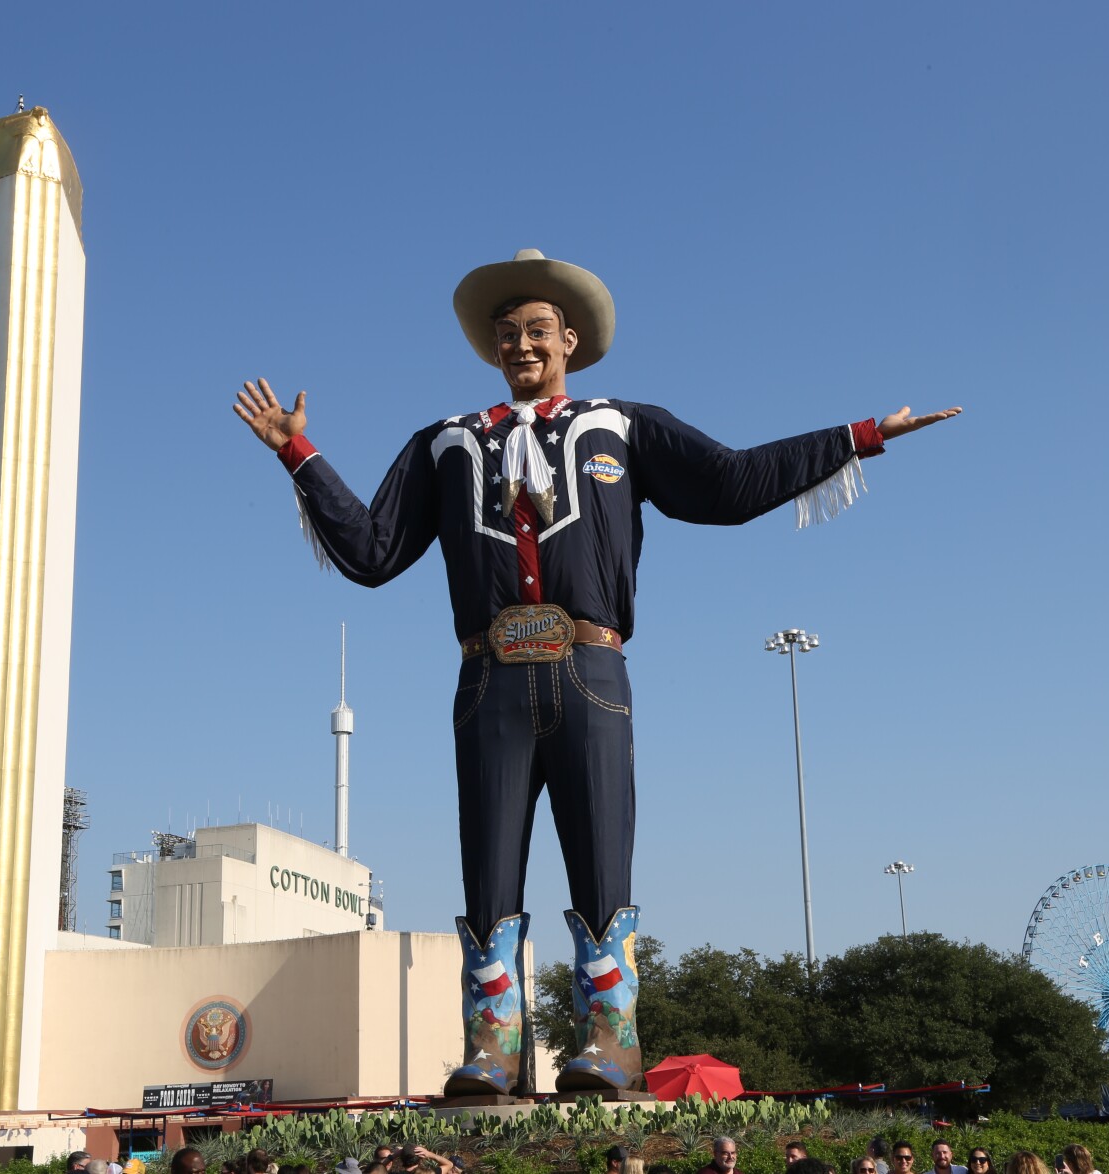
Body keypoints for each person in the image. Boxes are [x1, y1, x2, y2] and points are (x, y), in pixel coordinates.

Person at [235, 251, 962, 1095]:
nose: (522, 345)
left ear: (570, 339)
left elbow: (727, 483)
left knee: (600, 862)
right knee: (488, 868)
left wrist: (858, 436)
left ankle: (609, 1041)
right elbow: (371, 551)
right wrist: (300, 454)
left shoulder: (622, 424)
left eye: (538, 331)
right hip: (489, 677)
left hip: (591, 666)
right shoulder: (446, 442)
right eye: (506, 335)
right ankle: (491, 1049)